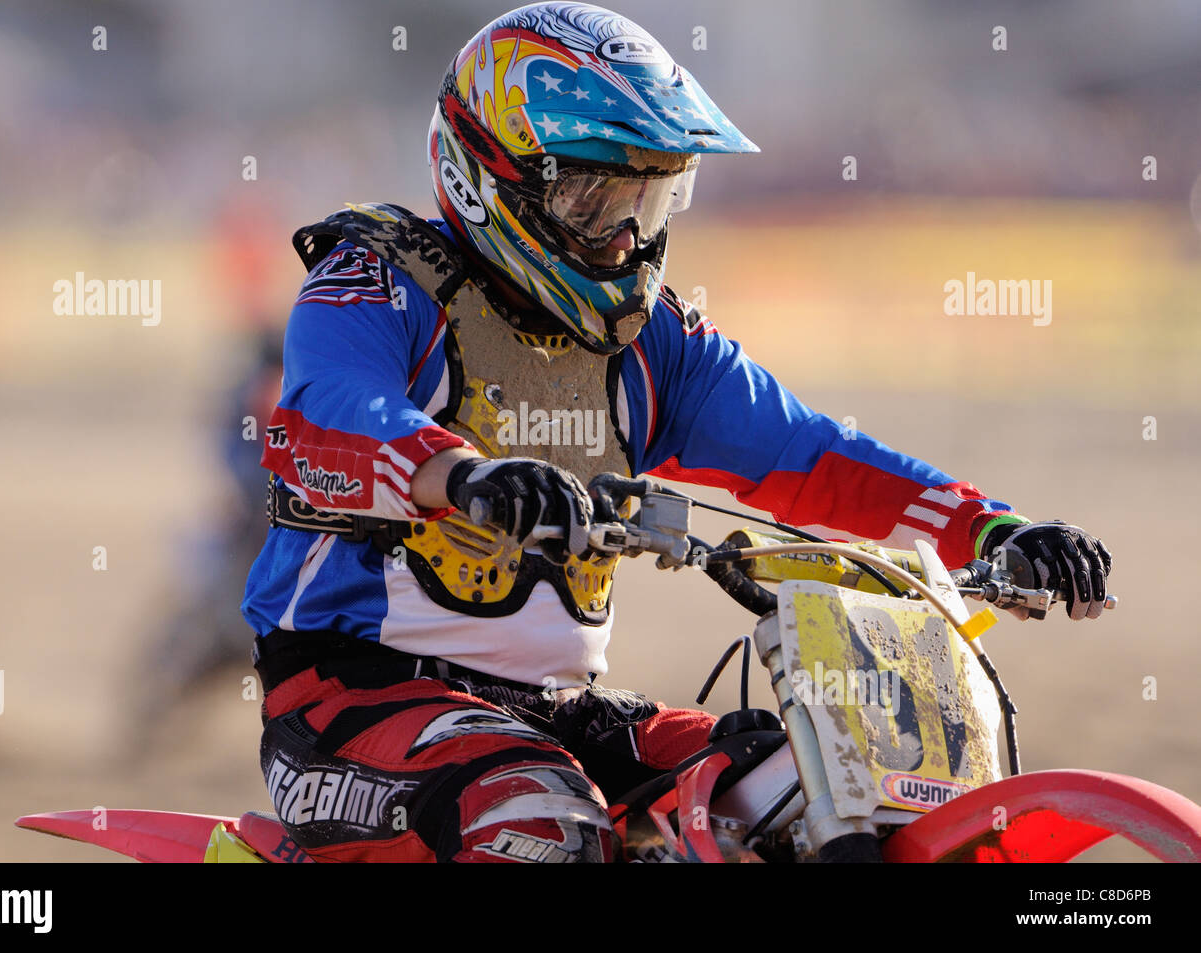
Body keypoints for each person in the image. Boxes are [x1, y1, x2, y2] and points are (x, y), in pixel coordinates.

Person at [241, 1, 1111, 863]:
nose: (625, 241)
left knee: (800, 790)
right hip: (347, 701)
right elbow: (324, 418)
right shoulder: (381, 285)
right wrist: (460, 474)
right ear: (490, 175)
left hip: (552, 708)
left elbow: (808, 454)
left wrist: (987, 525)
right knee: (539, 827)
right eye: (594, 200)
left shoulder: (653, 347)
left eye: (648, 201)